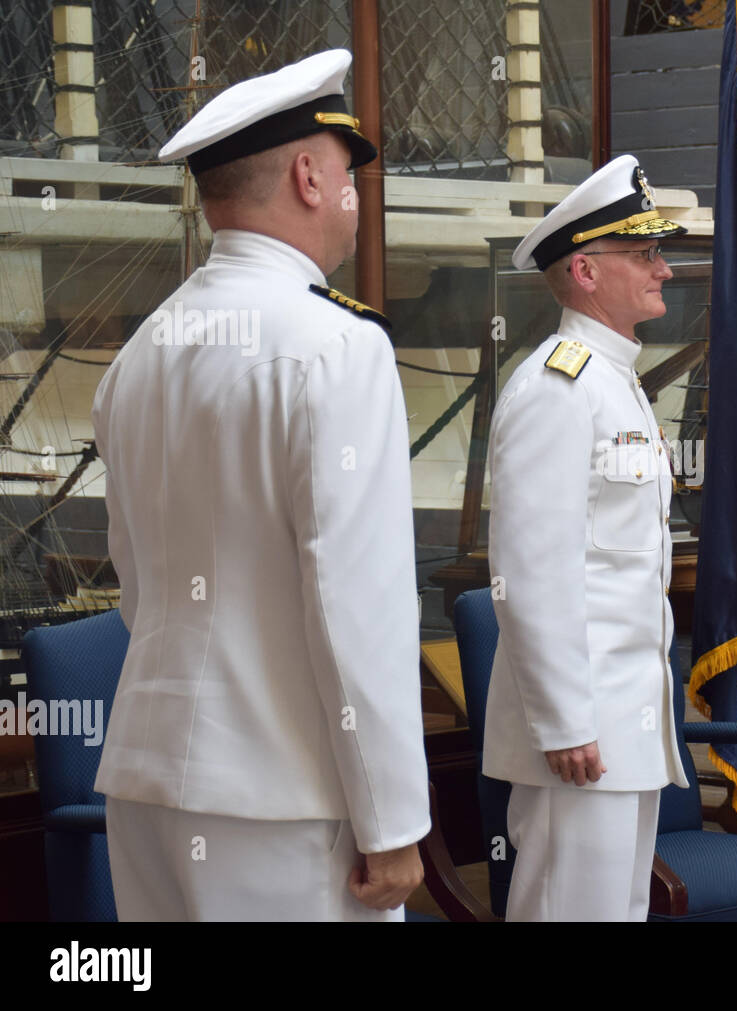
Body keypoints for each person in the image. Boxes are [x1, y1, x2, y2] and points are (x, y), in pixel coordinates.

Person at [92, 50, 429, 921]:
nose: (356, 191)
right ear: (309, 177)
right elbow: (359, 601)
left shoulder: (138, 357)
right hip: (287, 800)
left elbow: (136, 584)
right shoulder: (338, 346)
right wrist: (391, 817)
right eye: (349, 170)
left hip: (149, 780)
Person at [484, 154, 690, 921]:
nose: (663, 269)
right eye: (643, 254)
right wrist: (567, 720)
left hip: (621, 722)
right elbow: (531, 570)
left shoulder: (616, 381)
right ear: (587, 271)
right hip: (579, 734)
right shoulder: (557, 385)